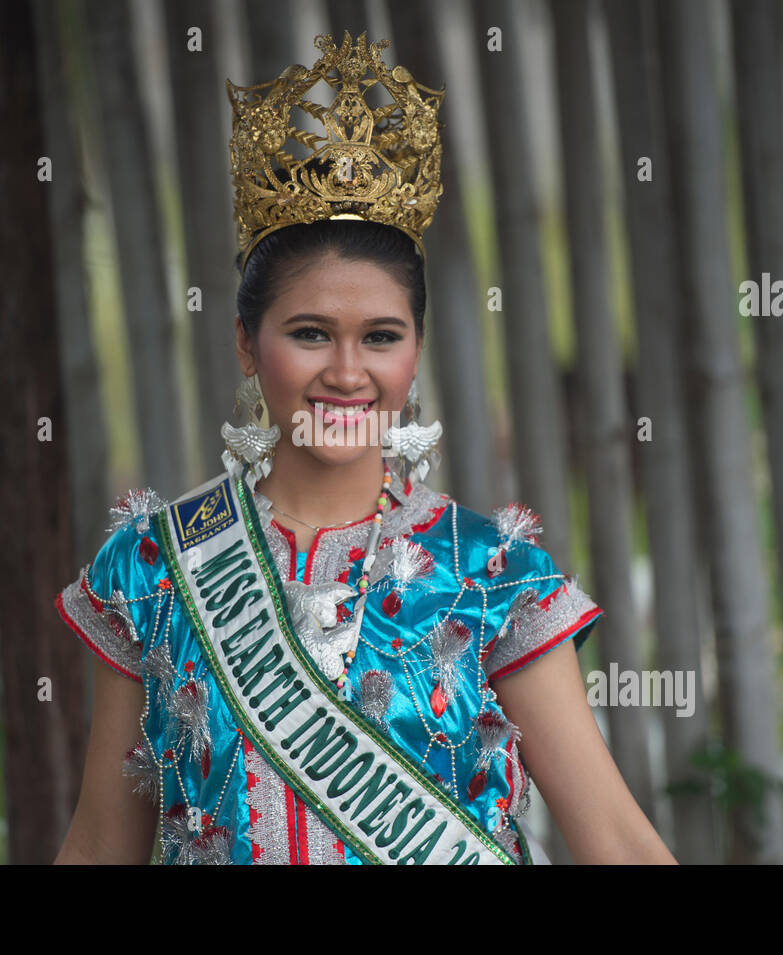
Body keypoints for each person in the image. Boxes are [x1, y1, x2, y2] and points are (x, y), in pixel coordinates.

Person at [54, 30, 674, 865]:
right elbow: (102, 840)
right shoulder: (153, 569)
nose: (347, 373)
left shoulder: (491, 575)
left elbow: (616, 842)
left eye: (380, 336)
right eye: (310, 333)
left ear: (414, 350)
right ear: (246, 342)